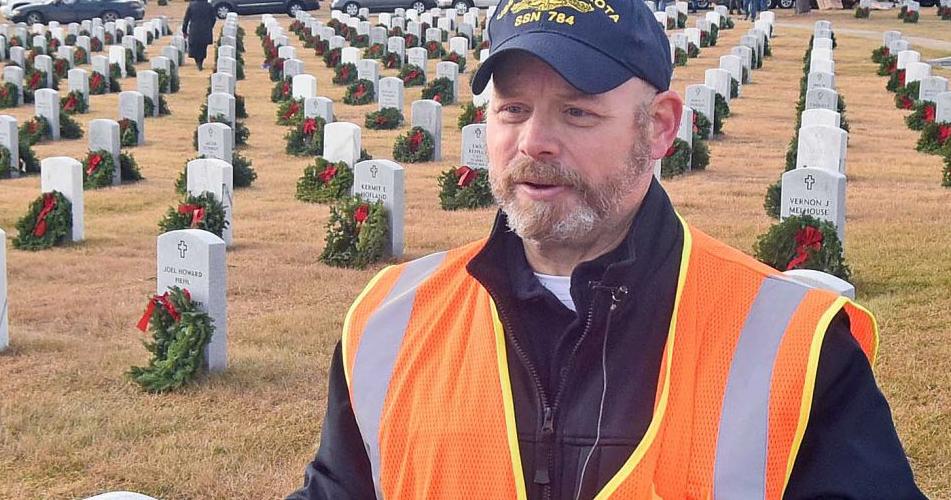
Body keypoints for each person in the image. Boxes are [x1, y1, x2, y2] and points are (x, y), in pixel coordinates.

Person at [288, 1, 925, 498]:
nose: (535, 141)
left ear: (660, 127)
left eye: (577, 112)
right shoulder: (388, 322)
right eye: (513, 109)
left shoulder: (794, 345)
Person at [182, 0, 216, 71]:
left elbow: (186, 19)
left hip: (194, 29)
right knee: (203, 47)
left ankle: (198, 62)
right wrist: (210, 26)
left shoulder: (192, 5)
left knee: (195, 47)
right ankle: (200, 62)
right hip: (205, 29)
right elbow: (213, 18)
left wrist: (184, 30)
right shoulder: (209, 6)